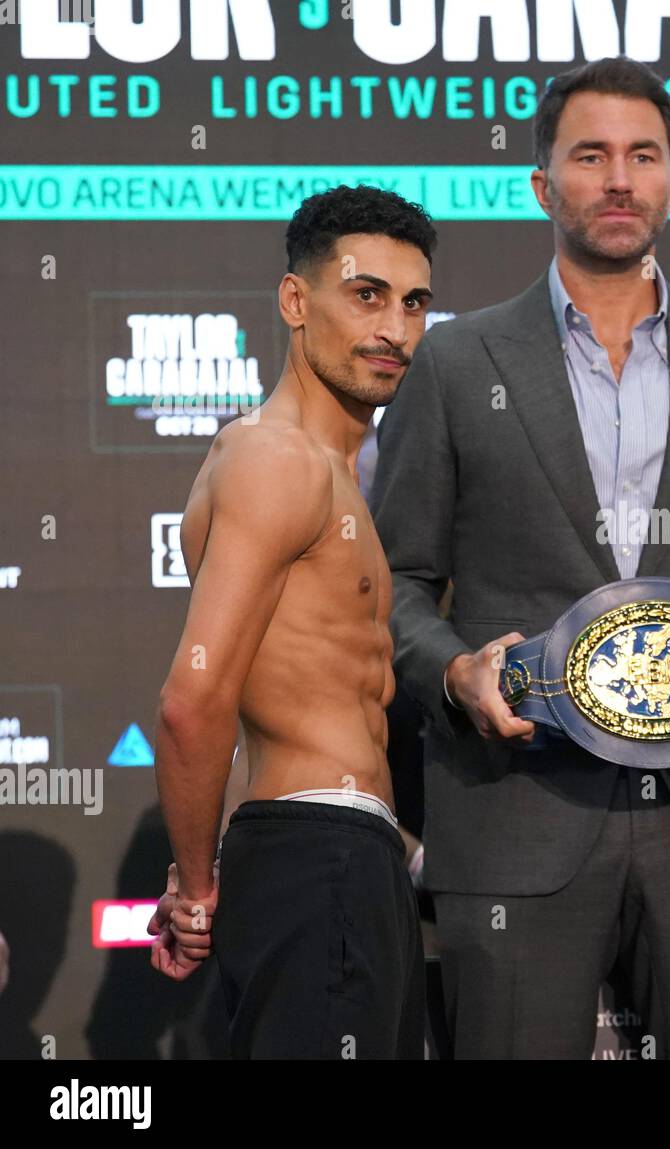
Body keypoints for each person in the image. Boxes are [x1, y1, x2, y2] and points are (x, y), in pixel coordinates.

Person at [370, 56, 670, 1059]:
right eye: (590, 155)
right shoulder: (457, 363)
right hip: (516, 814)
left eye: (643, 156)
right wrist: (452, 674)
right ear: (543, 185)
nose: (619, 179)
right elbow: (397, 584)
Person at [147, 185, 438, 1059]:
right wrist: (199, 888)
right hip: (319, 862)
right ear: (295, 301)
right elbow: (192, 701)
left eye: (413, 301)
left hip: (347, 861)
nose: (394, 326)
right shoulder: (277, 459)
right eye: (366, 294)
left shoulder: (339, 476)